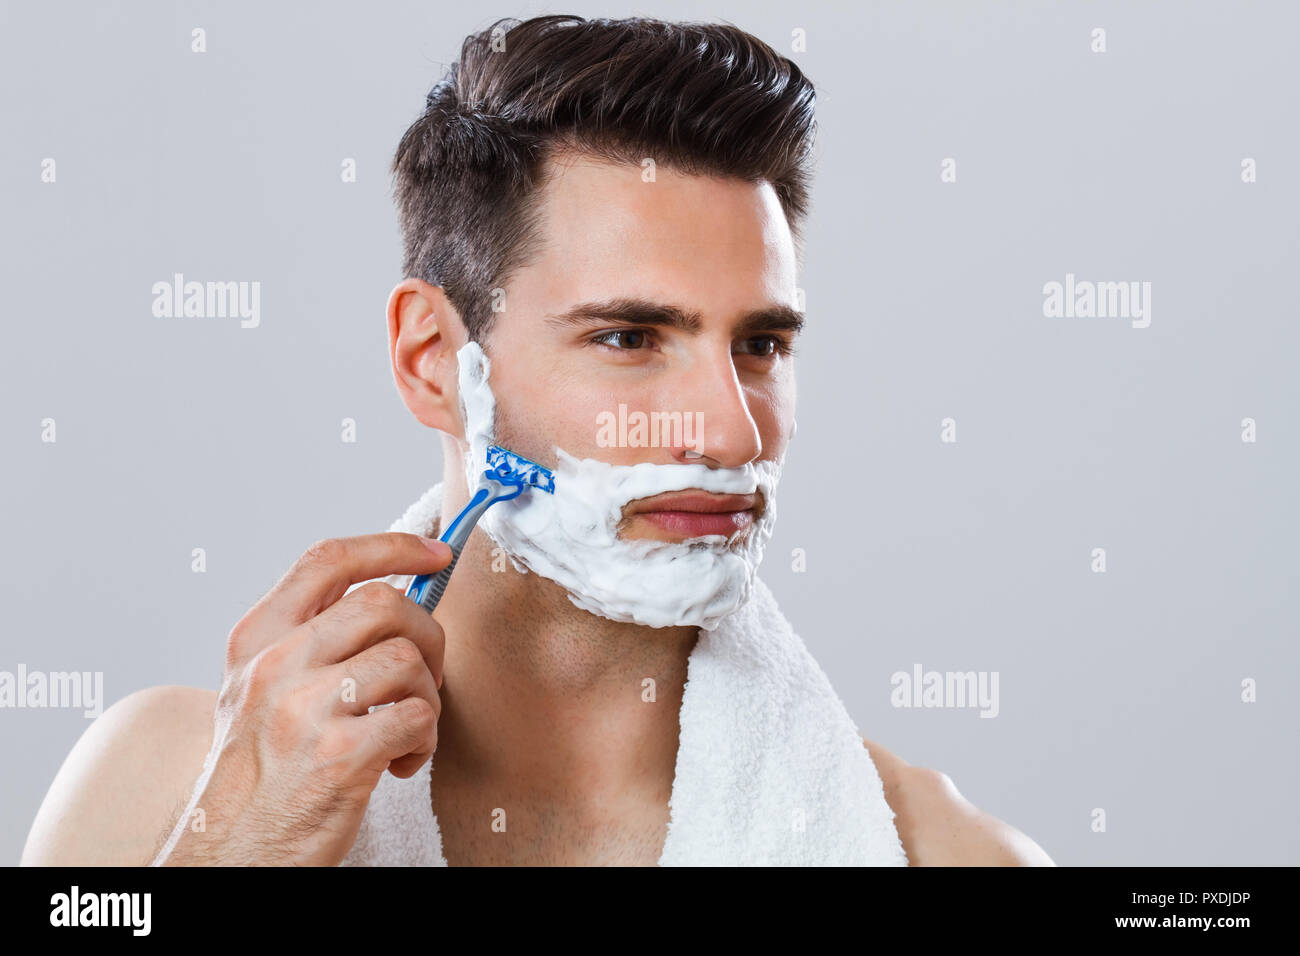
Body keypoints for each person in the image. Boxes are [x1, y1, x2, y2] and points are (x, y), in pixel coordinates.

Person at [21, 14, 1053, 867]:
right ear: (434, 360)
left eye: (761, 343)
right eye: (630, 336)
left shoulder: (945, 853)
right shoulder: (160, 790)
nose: (730, 430)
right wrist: (236, 848)